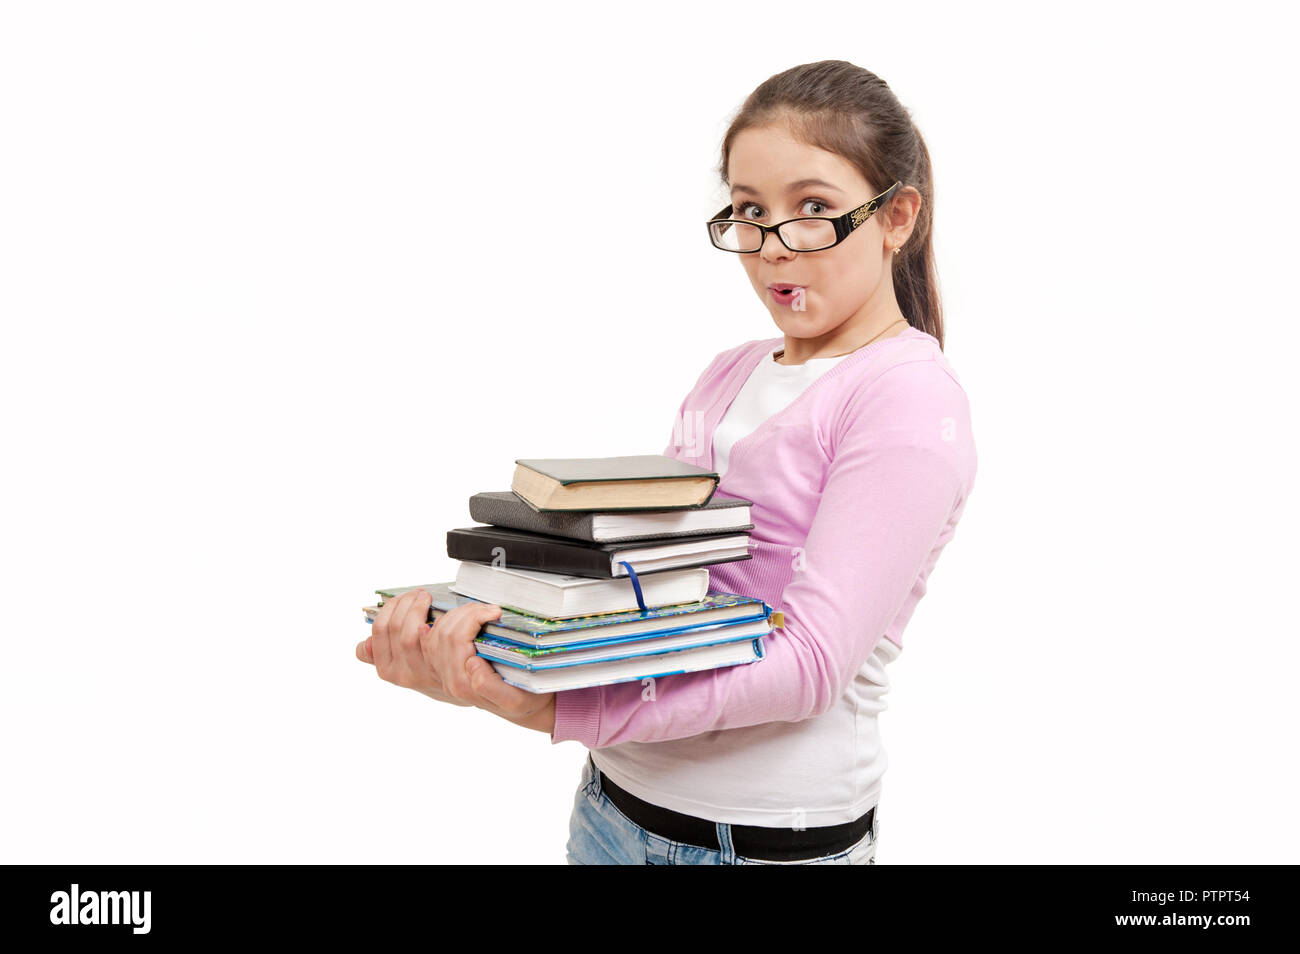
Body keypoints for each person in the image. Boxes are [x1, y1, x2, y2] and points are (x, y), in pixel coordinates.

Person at [357, 59, 978, 865]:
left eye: (813, 209)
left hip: (757, 846)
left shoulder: (905, 397)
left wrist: (547, 711)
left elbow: (810, 668)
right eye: (750, 211)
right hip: (614, 811)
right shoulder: (729, 372)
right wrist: (488, 642)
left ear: (897, 216)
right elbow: (653, 591)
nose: (772, 248)